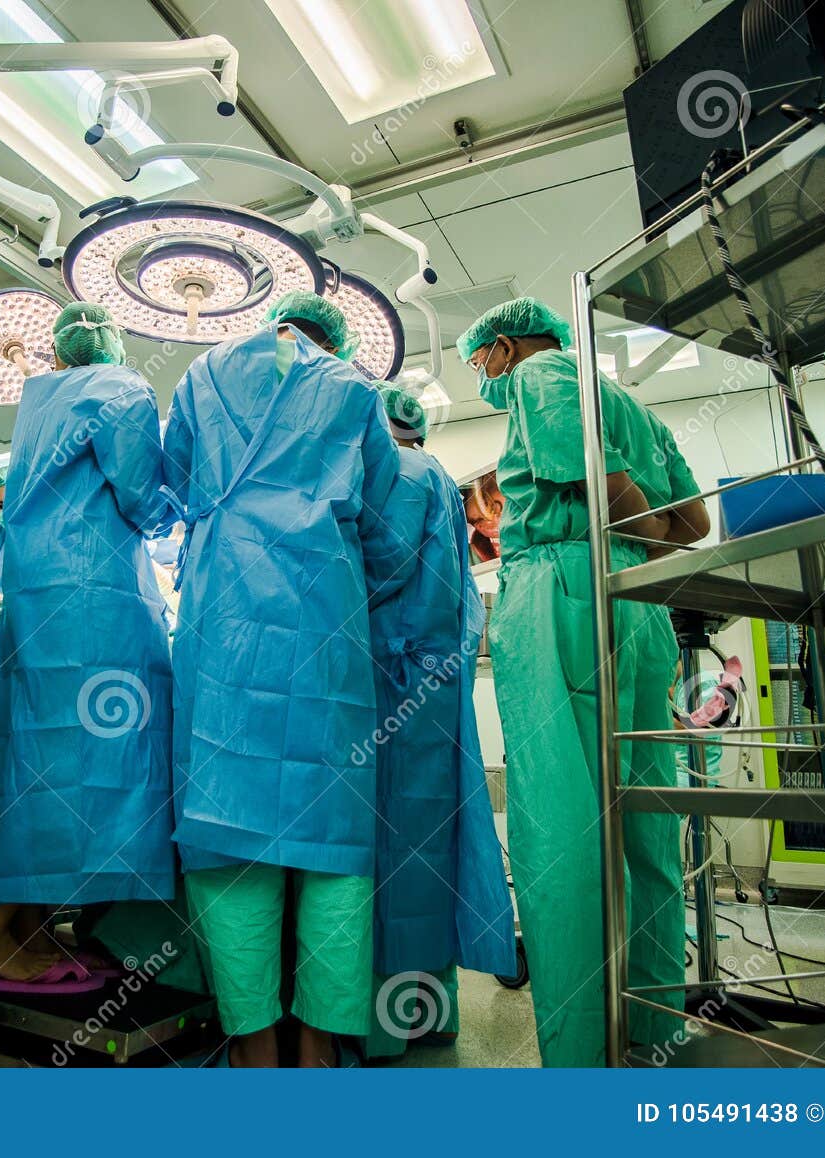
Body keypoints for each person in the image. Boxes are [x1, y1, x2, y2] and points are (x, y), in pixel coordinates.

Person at [458, 295, 708, 1067]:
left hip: (562, 594)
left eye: (479, 364)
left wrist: (625, 523)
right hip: (636, 604)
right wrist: (644, 533)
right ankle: (657, 1027)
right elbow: (694, 525)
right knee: (646, 821)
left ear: (504, 347)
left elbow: (595, 482)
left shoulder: (544, 375)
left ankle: (581, 1058)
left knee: (561, 826)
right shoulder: (630, 400)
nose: (484, 378)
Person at [164, 290, 404, 1067]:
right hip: (321, 623)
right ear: (331, 335)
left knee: (230, 832)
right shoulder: (353, 389)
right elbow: (385, 529)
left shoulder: (202, 374)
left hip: (223, 621)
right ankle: (317, 1050)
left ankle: (255, 1050)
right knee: (330, 840)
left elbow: (170, 484)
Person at [0, 301, 177, 986]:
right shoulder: (122, 387)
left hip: (39, 597)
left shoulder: (39, 397)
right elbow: (140, 494)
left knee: (35, 759)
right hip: (94, 597)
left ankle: (26, 926)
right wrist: (185, 509)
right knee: (88, 759)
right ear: (112, 344)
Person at [362, 385, 516, 1061]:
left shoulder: (400, 472)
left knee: (388, 858)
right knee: (428, 851)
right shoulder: (440, 480)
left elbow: (380, 568)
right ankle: (430, 1013)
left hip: (387, 684)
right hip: (427, 692)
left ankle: (381, 1028)